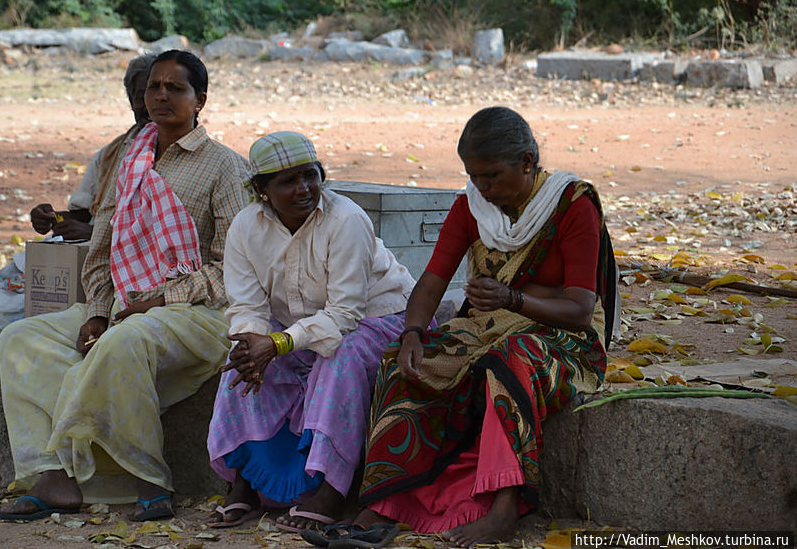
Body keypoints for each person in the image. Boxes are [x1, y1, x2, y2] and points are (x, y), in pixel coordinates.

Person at [0, 50, 250, 522]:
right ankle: (52, 473)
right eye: (154, 86)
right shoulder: (130, 160)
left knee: (126, 338)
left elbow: (235, 269)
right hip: (125, 303)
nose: (161, 95)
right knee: (20, 337)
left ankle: (150, 477)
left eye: (176, 88)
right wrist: (95, 309)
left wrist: (158, 299)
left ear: (200, 100)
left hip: (202, 311)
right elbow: (103, 249)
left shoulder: (225, 167)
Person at [349, 107, 619, 547]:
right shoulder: (471, 207)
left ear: (528, 162)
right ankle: (386, 500)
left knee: (506, 362)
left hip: (566, 340)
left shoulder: (572, 204)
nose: (482, 187)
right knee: (402, 364)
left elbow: (580, 309)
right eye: (474, 176)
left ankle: (504, 507)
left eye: (491, 176)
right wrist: (413, 334)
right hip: (487, 326)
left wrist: (514, 299)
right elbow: (432, 282)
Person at [206, 131, 416, 532]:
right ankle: (245, 480)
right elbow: (247, 306)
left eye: (310, 176)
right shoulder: (245, 226)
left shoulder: (346, 220)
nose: (303, 189)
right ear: (261, 190)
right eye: (287, 181)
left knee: (339, 357)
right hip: (298, 327)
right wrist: (254, 341)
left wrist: (280, 342)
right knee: (241, 359)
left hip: (380, 320)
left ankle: (330, 490)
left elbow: (344, 315)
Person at [28, 54, 154, 240]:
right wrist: (53, 218)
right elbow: (87, 214)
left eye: (158, 95)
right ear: (131, 102)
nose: (153, 104)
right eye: (141, 96)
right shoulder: (111, 155)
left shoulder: (190, 160)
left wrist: (96, 235)